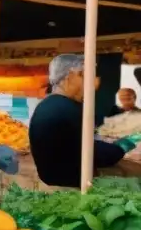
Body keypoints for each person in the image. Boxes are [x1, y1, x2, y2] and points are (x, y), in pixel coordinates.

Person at [30, 54, 141, 188]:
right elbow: (90, 152)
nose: (91, 83)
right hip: (67, 186)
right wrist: (120, 147)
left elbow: (73, 144)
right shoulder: (65, 108)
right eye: (85, 76)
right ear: (71, 76)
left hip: (54, 179)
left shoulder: (49, 104)